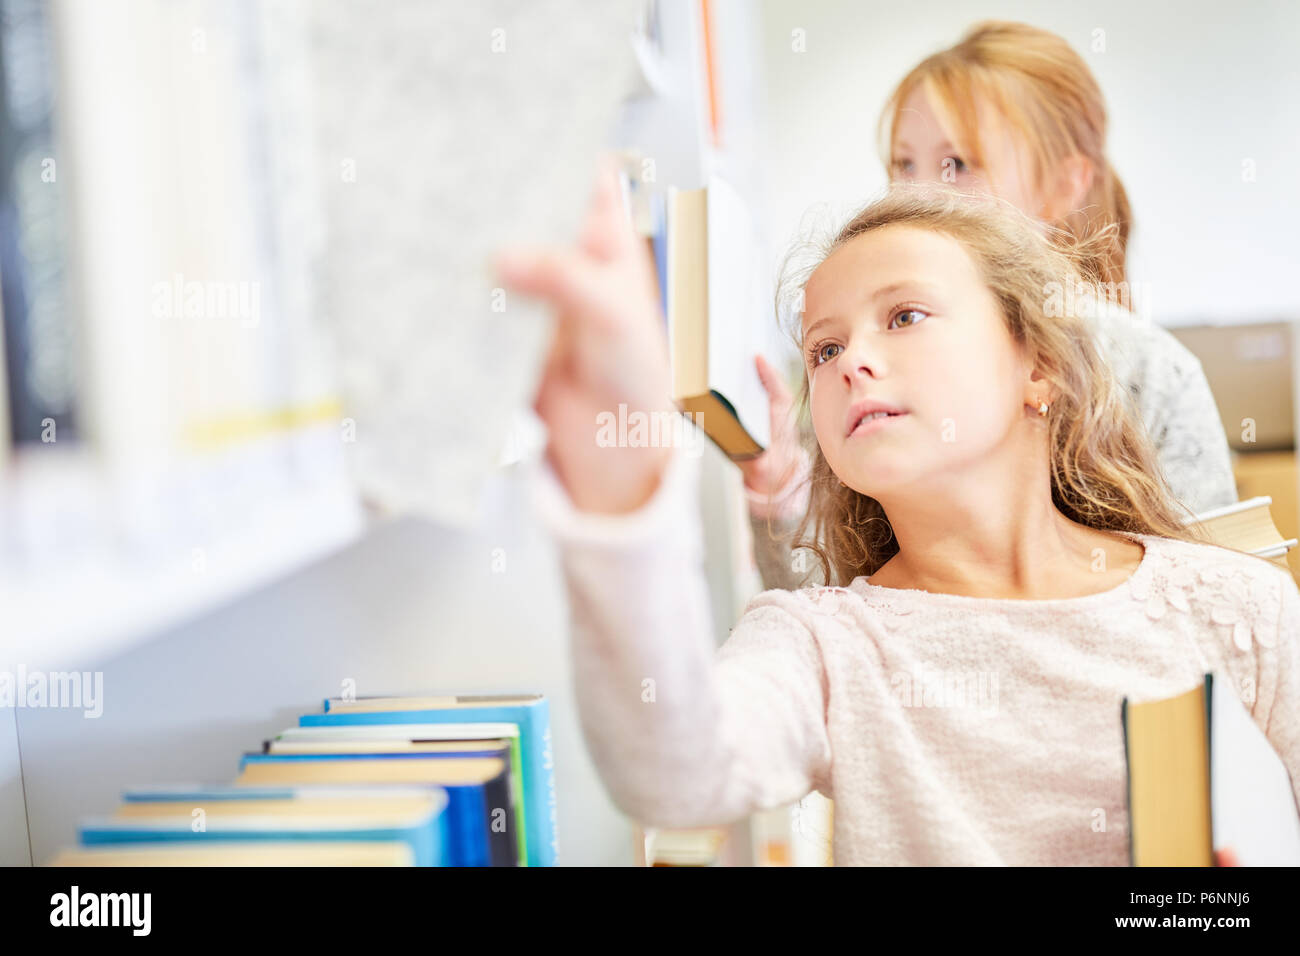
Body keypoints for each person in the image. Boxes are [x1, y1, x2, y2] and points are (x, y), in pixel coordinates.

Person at [496, 168, 1297, 865]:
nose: (854, 362)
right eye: (823, 349)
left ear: (1039, 365)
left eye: (905, 316)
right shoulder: (822, 642)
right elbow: (674, 773)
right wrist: (620, 493)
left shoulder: (1240, 609)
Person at [743, 21, 1238, 590]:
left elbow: (1210, 600)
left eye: (958, 164)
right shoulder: (861, 370)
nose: (918, 195)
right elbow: (821, 593)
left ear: (1063, 184)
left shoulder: (1154, 372)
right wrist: (778, 487)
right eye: (904, 165)